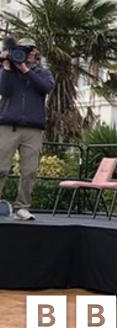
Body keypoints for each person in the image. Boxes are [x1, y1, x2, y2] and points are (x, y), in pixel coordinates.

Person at [0, 39, 54, 221]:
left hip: (33, 128)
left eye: (31, 49)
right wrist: (7, 67)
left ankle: (22, 207)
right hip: (8, 125)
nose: (29, 52)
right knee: (1, 167)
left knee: (30, 170)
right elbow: (4, 90)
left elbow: (46, 87)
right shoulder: (7, 71)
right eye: (24, 49)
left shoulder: (43, 73)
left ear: (36, 52)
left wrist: (25, 69)